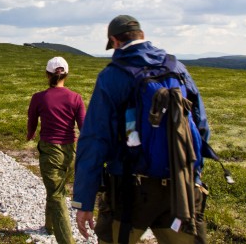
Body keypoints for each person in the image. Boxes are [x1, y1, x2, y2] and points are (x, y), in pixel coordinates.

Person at [72, 15, 211, 244]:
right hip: (181, 186)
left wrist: (83, 201)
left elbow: (95, 140)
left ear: (114, 41)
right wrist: (193, 174)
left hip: (130, 189)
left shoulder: (112, 76)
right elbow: (200, 124)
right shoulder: (177, 67)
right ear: (142, 35)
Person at [28, 56, 86, 244]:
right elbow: (84, 127)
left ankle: (66, 241)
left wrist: (30, 134)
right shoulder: (76, 97)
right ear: (66, 74)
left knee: (57, 195)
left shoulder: (38, 97)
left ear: (47, 74)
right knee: (56, 190)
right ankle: (49, 226)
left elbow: (32, 121)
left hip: (50, 151)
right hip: (70, 153)